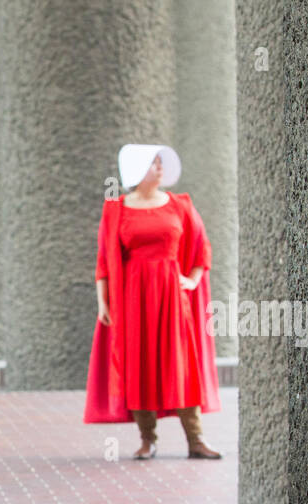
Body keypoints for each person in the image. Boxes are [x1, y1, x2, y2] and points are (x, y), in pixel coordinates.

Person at [84, 144, 222, 459]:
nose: (159, 168)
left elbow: (202, 245)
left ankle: (196, 440)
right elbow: (104, 258)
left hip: (172, 297)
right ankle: (148, 439)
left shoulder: (180, 204)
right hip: (132, 297)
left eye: (161, 162)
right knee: (138, 364)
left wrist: (195, 278)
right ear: (136, 171)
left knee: (181, 363)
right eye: (153, 163)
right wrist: (102, 302)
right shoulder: (115, 208)